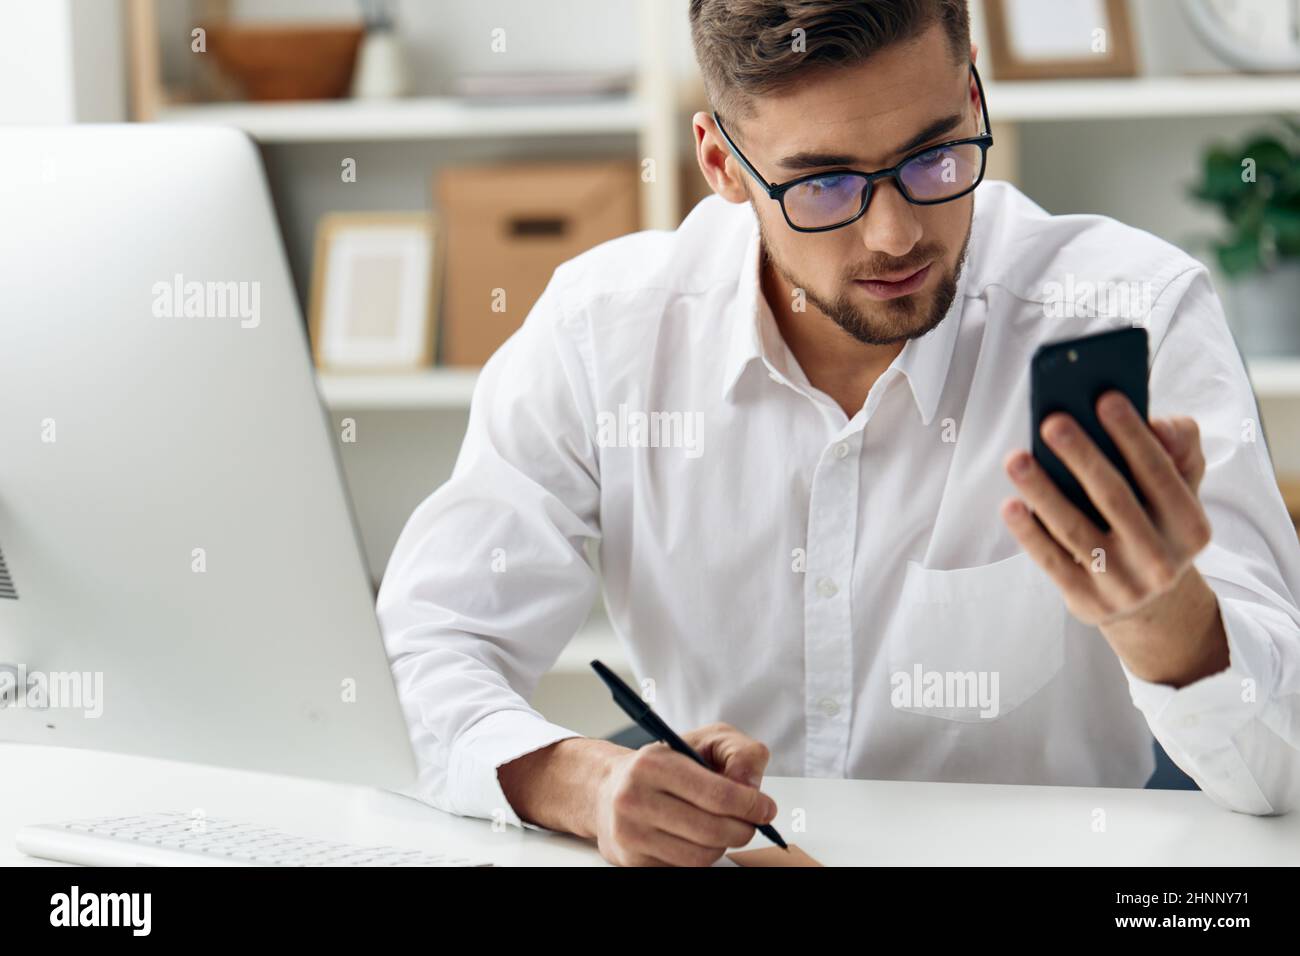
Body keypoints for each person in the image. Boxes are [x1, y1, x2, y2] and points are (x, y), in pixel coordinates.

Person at [377, 0, 1300, 866]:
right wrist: (575, 780)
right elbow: (424, 649)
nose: (897, 235)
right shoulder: (602, 332)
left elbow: (1281, 774)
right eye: (823, 185)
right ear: (722, 163)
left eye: (935, 157)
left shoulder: (1137, 311)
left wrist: (1163, 622)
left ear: (973, 91)